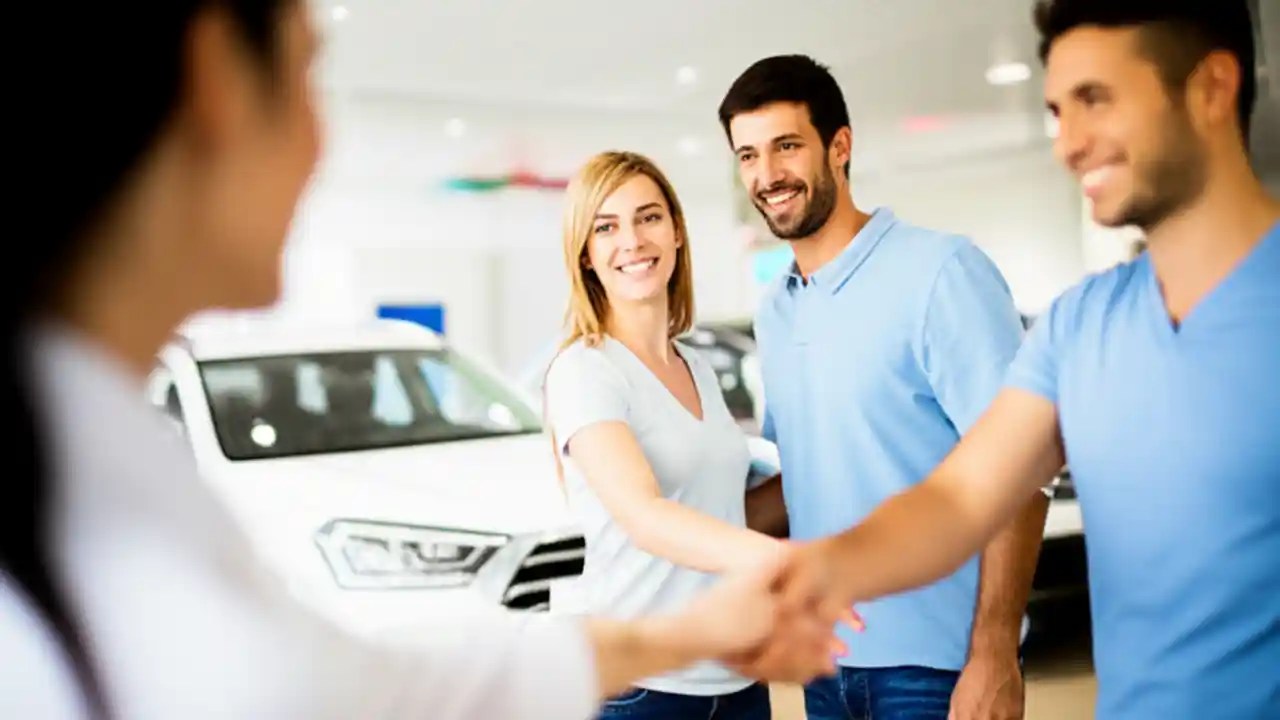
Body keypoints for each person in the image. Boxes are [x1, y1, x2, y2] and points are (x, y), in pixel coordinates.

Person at [0, 3, 840, 718]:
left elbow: (354, 682)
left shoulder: (98, 460)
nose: (322, 140)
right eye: (307, 73)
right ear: (217, 78)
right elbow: (342, 685)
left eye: (649, 219)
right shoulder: (103, 488)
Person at [754, 2, 1280, 718]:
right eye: (1057, 112)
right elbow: (959, 501)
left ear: (1212, 89)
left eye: (1096, 100)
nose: (1070, 143)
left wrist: (993, 646)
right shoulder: (1079, 325)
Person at [716, 55, 1051, 719]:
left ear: (839, 147)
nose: (767, 175)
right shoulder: (776, 309)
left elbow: (1023, 473)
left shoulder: (940, 272)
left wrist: (993, 652)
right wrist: (664, 527)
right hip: (826, 663)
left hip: (935, 666)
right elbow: (809, 477)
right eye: (748, 155)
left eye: (786, 147)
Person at [542, 150, 845, 719]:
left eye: (648, 217)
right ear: (585, 254)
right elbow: (646, 516)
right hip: (646, 688)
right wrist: (780, 563)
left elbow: (721, 516)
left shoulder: (696, 368)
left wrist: (829, 467)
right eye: (606, 227)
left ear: (677, 233)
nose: (632, 240)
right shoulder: (586, 369)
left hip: (736, 678)